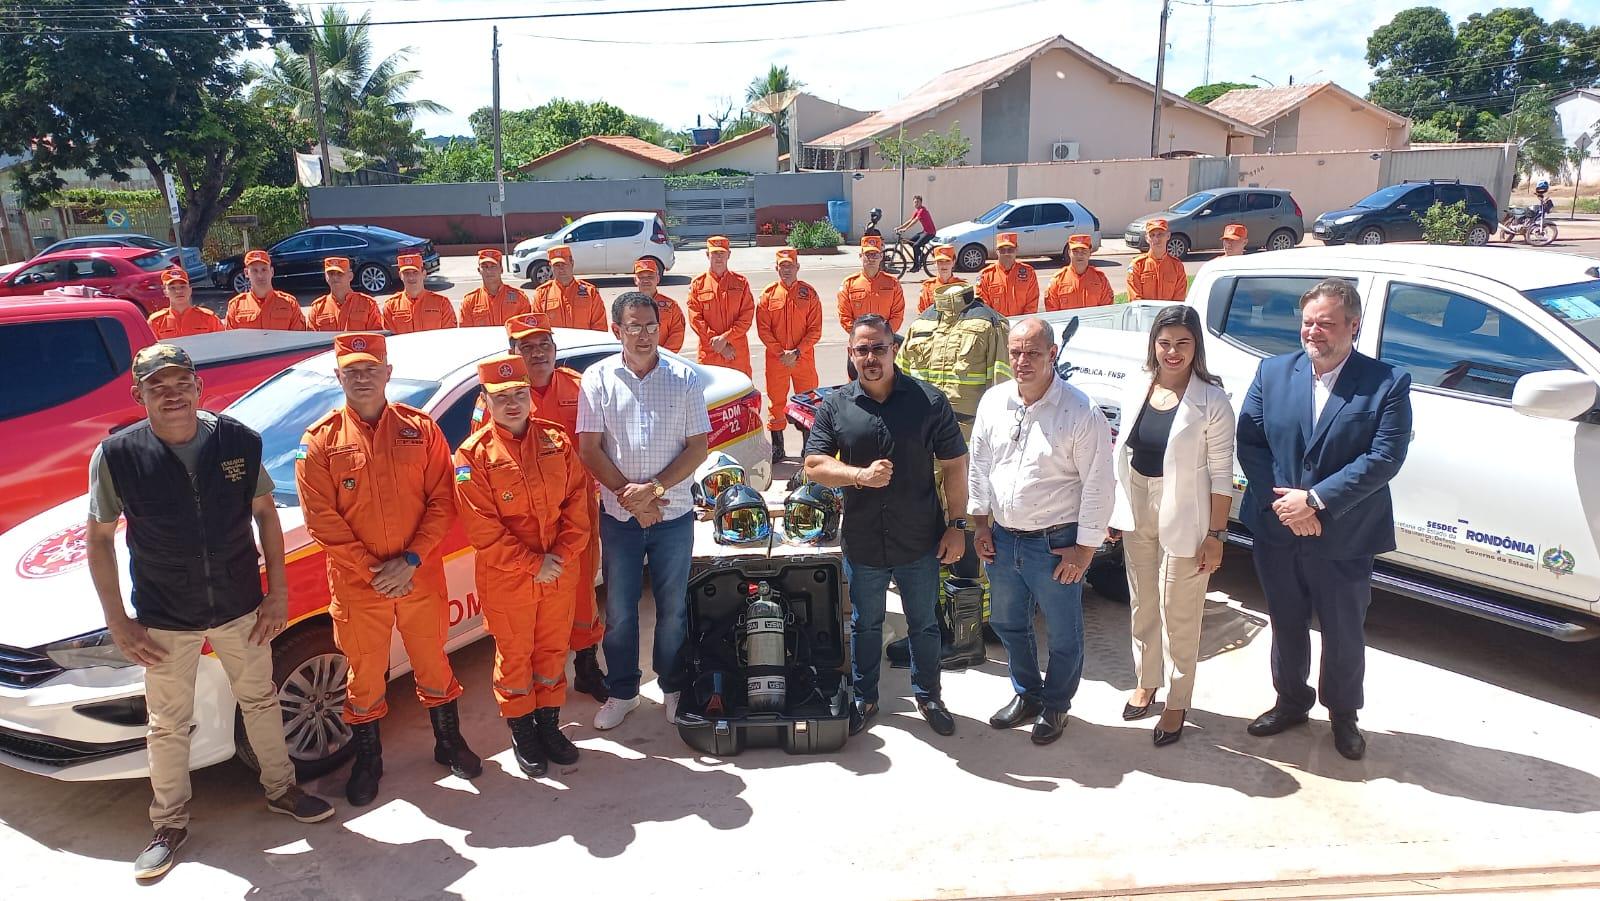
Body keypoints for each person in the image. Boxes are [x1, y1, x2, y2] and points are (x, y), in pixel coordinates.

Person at [86, 344, 333, 880]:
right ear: (140, 395)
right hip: (164, 616)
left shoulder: (238, 441)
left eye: (181, 384)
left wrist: (278, 593)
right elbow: (100, 539)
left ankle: (282, 790)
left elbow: (266, 515)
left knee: (262, 701)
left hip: (240, 605)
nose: (171, 395)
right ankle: (169, 824)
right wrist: (118, 620)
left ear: (198, 388)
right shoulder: (118, 456)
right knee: (168, 725)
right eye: (158, 387)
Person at [296, 332, 480, 806]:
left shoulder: (421, 429)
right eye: (351, 371)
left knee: (432, 660)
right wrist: (374, 570)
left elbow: (443, 500)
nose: (361, 378)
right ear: (338, 376)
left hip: (418, 575)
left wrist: (412, 559)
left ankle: (448, 741)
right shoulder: (319, 442)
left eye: (370, 369)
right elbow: (322, 520)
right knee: (364, 675)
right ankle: (370, 759)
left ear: (387, 373)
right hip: (360, 584)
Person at [1235, 278, 1412, 761]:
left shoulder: (1386, 383)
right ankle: (1291, 701)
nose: (1314, 332)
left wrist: (1314, 501)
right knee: (1285, 621)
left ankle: (1343, 714)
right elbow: (1250, 443)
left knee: (1343, 630)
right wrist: (1286, 508)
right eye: (1308, 322)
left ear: (1353, 326)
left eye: (1326, 324)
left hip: (1345, 532)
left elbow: (1384, 457)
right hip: (1277, 527)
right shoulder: (1272, 372)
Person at [802, 314, 969, 737]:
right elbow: (813, 464)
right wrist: (859, 476)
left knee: (925, 622)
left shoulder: (929, 401)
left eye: (879, 348)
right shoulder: (836, 405)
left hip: (919, 539)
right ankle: (865, 697)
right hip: (863, 540)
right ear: (851, 354)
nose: (871, 357)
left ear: (894, 349)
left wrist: (958, 525)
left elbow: (954, 466)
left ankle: (928, 695)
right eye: (863, 350)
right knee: (864, 623)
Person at [968, 318, 1113, 745]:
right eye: (1015, 351)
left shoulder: (1080, 411)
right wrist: (980, 522)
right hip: (1004, 537)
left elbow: (1099, 483)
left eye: (1033, 352)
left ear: (1053, 354)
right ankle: (1027, 693)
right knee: (1008, 622)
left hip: (1056, 543)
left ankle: (1056, 705)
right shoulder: (994, 402)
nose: (1022, 360)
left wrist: (1084, 551)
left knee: (1063, 632)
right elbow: (979, 465)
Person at [577, 292, 711, 731]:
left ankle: (672, 686)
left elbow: (698, 447)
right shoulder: (597, 379)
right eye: (633, 327)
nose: (643, 335)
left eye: (650, 326)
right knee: (619, 609)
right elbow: (589, 449)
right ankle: (623, 691)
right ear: (617, 330)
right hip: (620, 520)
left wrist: (653, 492)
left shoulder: (684, 378)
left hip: (672, 517)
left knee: (673, 607)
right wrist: (629, 498)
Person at [453, 353, 590, 777]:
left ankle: (549, 725)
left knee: (552, 651)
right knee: (515, 657)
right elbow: (482, 530)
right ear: (485, 399)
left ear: (530, 395)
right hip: (509, 578)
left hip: (558, 571)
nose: (512, 403)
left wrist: (562, 557)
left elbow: (578, 504)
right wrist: (534, 564)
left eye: (518, 394)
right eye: (501, 396)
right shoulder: (472, 456)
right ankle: (523, 730)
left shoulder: (556, 439)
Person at [1107, 305, 1235, 747]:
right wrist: (1113, 510)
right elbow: (1122, 451)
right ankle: (1147, 680)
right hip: (1138, 501)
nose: (1172, 352)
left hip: (1187, 513)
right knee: (1142, 599)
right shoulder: (1137, 386)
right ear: (1153, 346)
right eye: (1164, 343)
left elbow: (1221, 475)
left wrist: (1216, 536)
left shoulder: (1212, 401)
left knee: (1179, 609)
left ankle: (1178, 699)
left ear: (1196, 345)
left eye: (1182, 343)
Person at [494, 312, 608, 702]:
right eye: (527, 346)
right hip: (525, 520)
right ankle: (542, 684)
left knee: (581, 592)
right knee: (536, 604)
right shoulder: (499, 396)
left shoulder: (580, 387)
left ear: (555, 349)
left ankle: (588, 667)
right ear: (512, 352)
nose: (537, 353)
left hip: (577, 512)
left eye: (544, 344)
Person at [897, 281, 1011, 667]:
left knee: (968, 529)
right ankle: (932, 627)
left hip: (969, 446)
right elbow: (901, 388)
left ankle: (970, 632)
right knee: (928, 531)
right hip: (925, 447)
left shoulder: (990, 324)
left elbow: (1003, 389)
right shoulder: (919, 326)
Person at [755, 247, 822, 465]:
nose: (786, 270)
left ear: (797, 267)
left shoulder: (809, 293)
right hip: (777, 360)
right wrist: (780, 352)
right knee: (776, 402)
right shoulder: (767, 295)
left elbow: (815, 329)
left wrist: (798, 351)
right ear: (776, 268)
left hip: (803, 358)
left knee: (808, 402)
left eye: (790, 266)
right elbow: (763, 329)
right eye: (782, 266)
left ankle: (808, 446)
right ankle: (778, 447)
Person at [687, 235, 756, 377]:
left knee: (741, 396)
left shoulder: (740, 283)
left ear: (729, 255)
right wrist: (719, 345)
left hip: (736, 351)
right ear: (707, 255)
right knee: (712, 396)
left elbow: (747, 316)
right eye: (714, 253)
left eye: (722, 253)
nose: (718, 257)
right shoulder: (698, 284)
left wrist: (725, 339)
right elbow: (696, 319)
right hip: (710, 352)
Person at [837, 235, 905, 335]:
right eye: (868, 254)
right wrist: (859, 335)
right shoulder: (849, 284)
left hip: (884, 340)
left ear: (881, 256)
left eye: (875, 254)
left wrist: (884, 335)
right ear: (860, 256)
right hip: (859, 340)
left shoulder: (893, 283)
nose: (871, 259)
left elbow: (897, 314)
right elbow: (844, 316)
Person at [225, 250, 308, 330]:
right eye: (254, 270)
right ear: (246, 273)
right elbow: (231, 341)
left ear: (272, 271)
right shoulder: (236, 306)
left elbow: (299, 339)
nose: (260, 275)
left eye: (264, 269)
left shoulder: (290, 304)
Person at [532, 245, 608, 331]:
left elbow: (600, 327)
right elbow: (537, 329)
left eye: (564, 264)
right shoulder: (542, 293)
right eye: (557, 265)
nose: (561, 269)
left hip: (585, 343)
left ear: (572, 263)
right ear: (551, 267)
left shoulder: (590, 292)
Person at [383, 253, 457, 333]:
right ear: (401, 275)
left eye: (415, 272)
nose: (411, 277)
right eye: (406, 273)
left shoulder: (442, 303)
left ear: (424, 274)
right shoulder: (391, 306)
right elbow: (389, 338)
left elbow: (450, 335)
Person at [306, 257, 383, 332]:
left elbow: (376, 337)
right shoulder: (317, 308)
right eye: (331, 274)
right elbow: (311, 340)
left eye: (340, 273)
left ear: (350, 276)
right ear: (326, 277)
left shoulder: (368, 304)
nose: (335, 277)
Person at [458, 248, 531, 327]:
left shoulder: (520, 298)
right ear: (479, 270)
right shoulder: (470, 301)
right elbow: (466, 333)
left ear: (501, 269)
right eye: (485, 267)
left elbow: (526, 331)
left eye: (493, 266)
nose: (489, 271)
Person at [147, 267, 225, 339]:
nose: (178, 291)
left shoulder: (208, 318)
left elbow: (222, 342)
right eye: (172, 288)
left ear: (190, 290)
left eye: (182, 286)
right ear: (165, 292)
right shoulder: (155, 322)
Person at [1043, 235, 1114, 311]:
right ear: (1069, 252)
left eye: (1084, 251)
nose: (1079, 255)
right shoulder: (1057, 280)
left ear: (1090, 252)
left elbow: (1107, 311)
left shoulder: (1101, 279)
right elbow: (1052, 313)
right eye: (1075, 251)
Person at [976, 233, 1040, 316]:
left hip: (1022, 324)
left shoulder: (1029, 273)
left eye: (1010, 250)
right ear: (997, 252)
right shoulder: (985, 275)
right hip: (996, 324)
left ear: (1016, 250)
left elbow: (1032, 303)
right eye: (1002, 250)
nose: (1006, 253)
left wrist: (1023, 323)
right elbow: (983, 305)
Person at [633, 257, 686, 353]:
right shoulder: (628, 306)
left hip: (664, 358)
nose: (646, 280)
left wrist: (663, 356)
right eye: (641, 277)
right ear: (635, 280)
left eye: (650, 276)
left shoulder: (671, 306)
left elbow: (677, 333)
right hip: (637, 359)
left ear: (657, 279)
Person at [1127, 220, 1187, 301]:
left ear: (1168, 236)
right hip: (1144, 313)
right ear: (1147, 238)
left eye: (1160, 234)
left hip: (1169, 313)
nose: (1156, 239)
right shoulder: (1137, 265)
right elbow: (1135, 299)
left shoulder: (1177, 266)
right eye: (1152, 235)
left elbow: (1179, 299)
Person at [916, 245, 966, 313]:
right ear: (935, 264)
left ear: (954, 262)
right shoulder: (927, 287)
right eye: (940, 261)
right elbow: (922, 312)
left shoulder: (963, 286)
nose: (944, 265)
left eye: (947, 261)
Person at [894, 194, 938, 270]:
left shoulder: (922, 210)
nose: (916, 204)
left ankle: (916, 266)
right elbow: (910, 220)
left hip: (930, 233)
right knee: (910, 241)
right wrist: (899, 227)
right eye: (914, 202)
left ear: (921, 203)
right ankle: (922, 255)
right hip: (925, 231)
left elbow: (915, 221)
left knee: (916, 246)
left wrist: (905, 229)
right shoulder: (917, 211)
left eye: (917, 202)